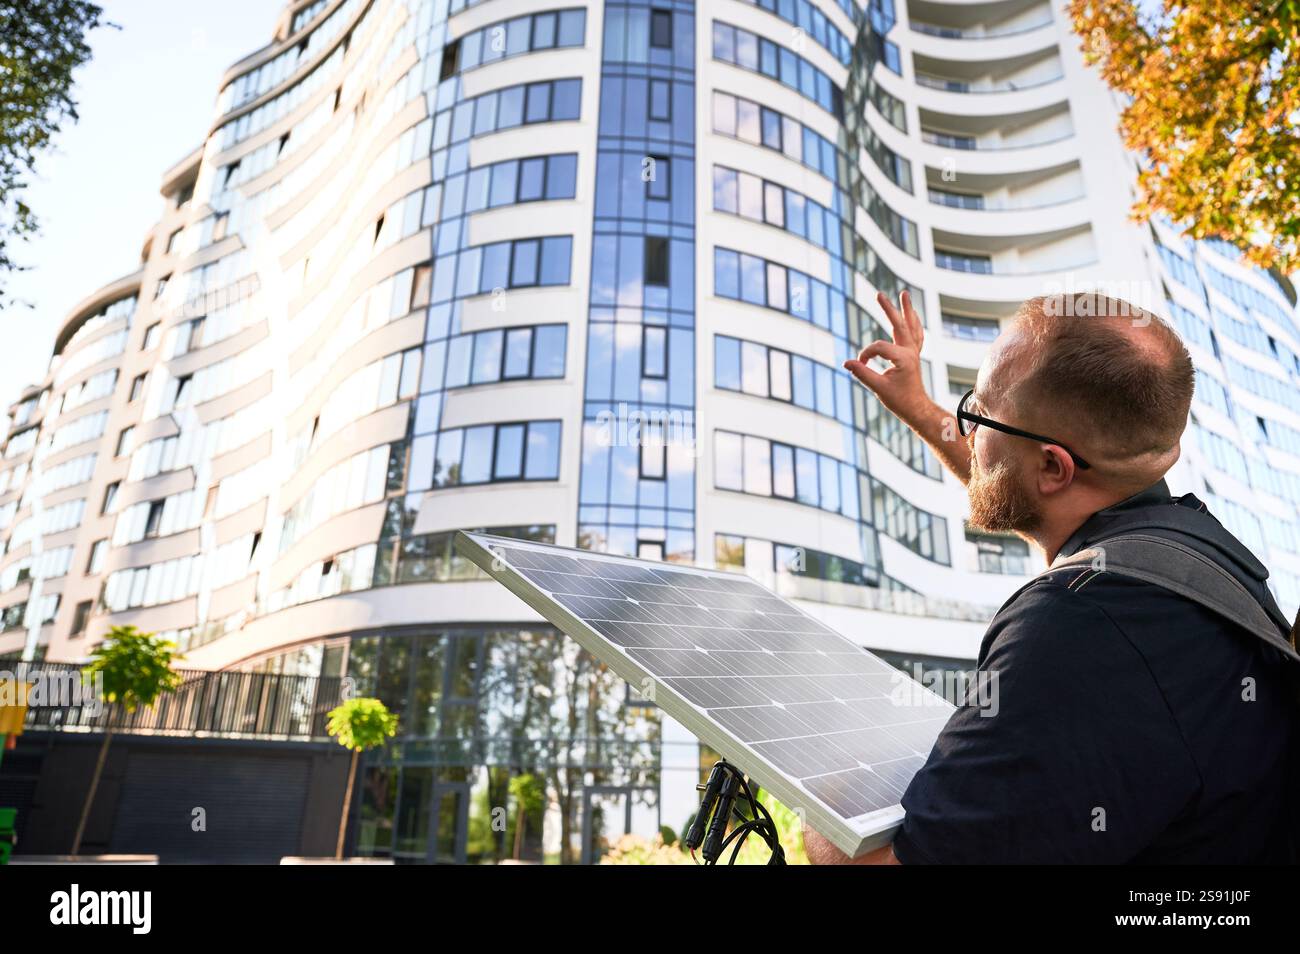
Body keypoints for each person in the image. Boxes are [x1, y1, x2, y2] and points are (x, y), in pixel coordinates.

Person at [804, 290, 1296, 864]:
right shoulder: (1197, 555)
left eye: (977, 414)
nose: (968, 433)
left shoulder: (1076, 626)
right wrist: (918, 405)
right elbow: (1026, 482)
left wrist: (823, 788)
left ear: (1054, 466)